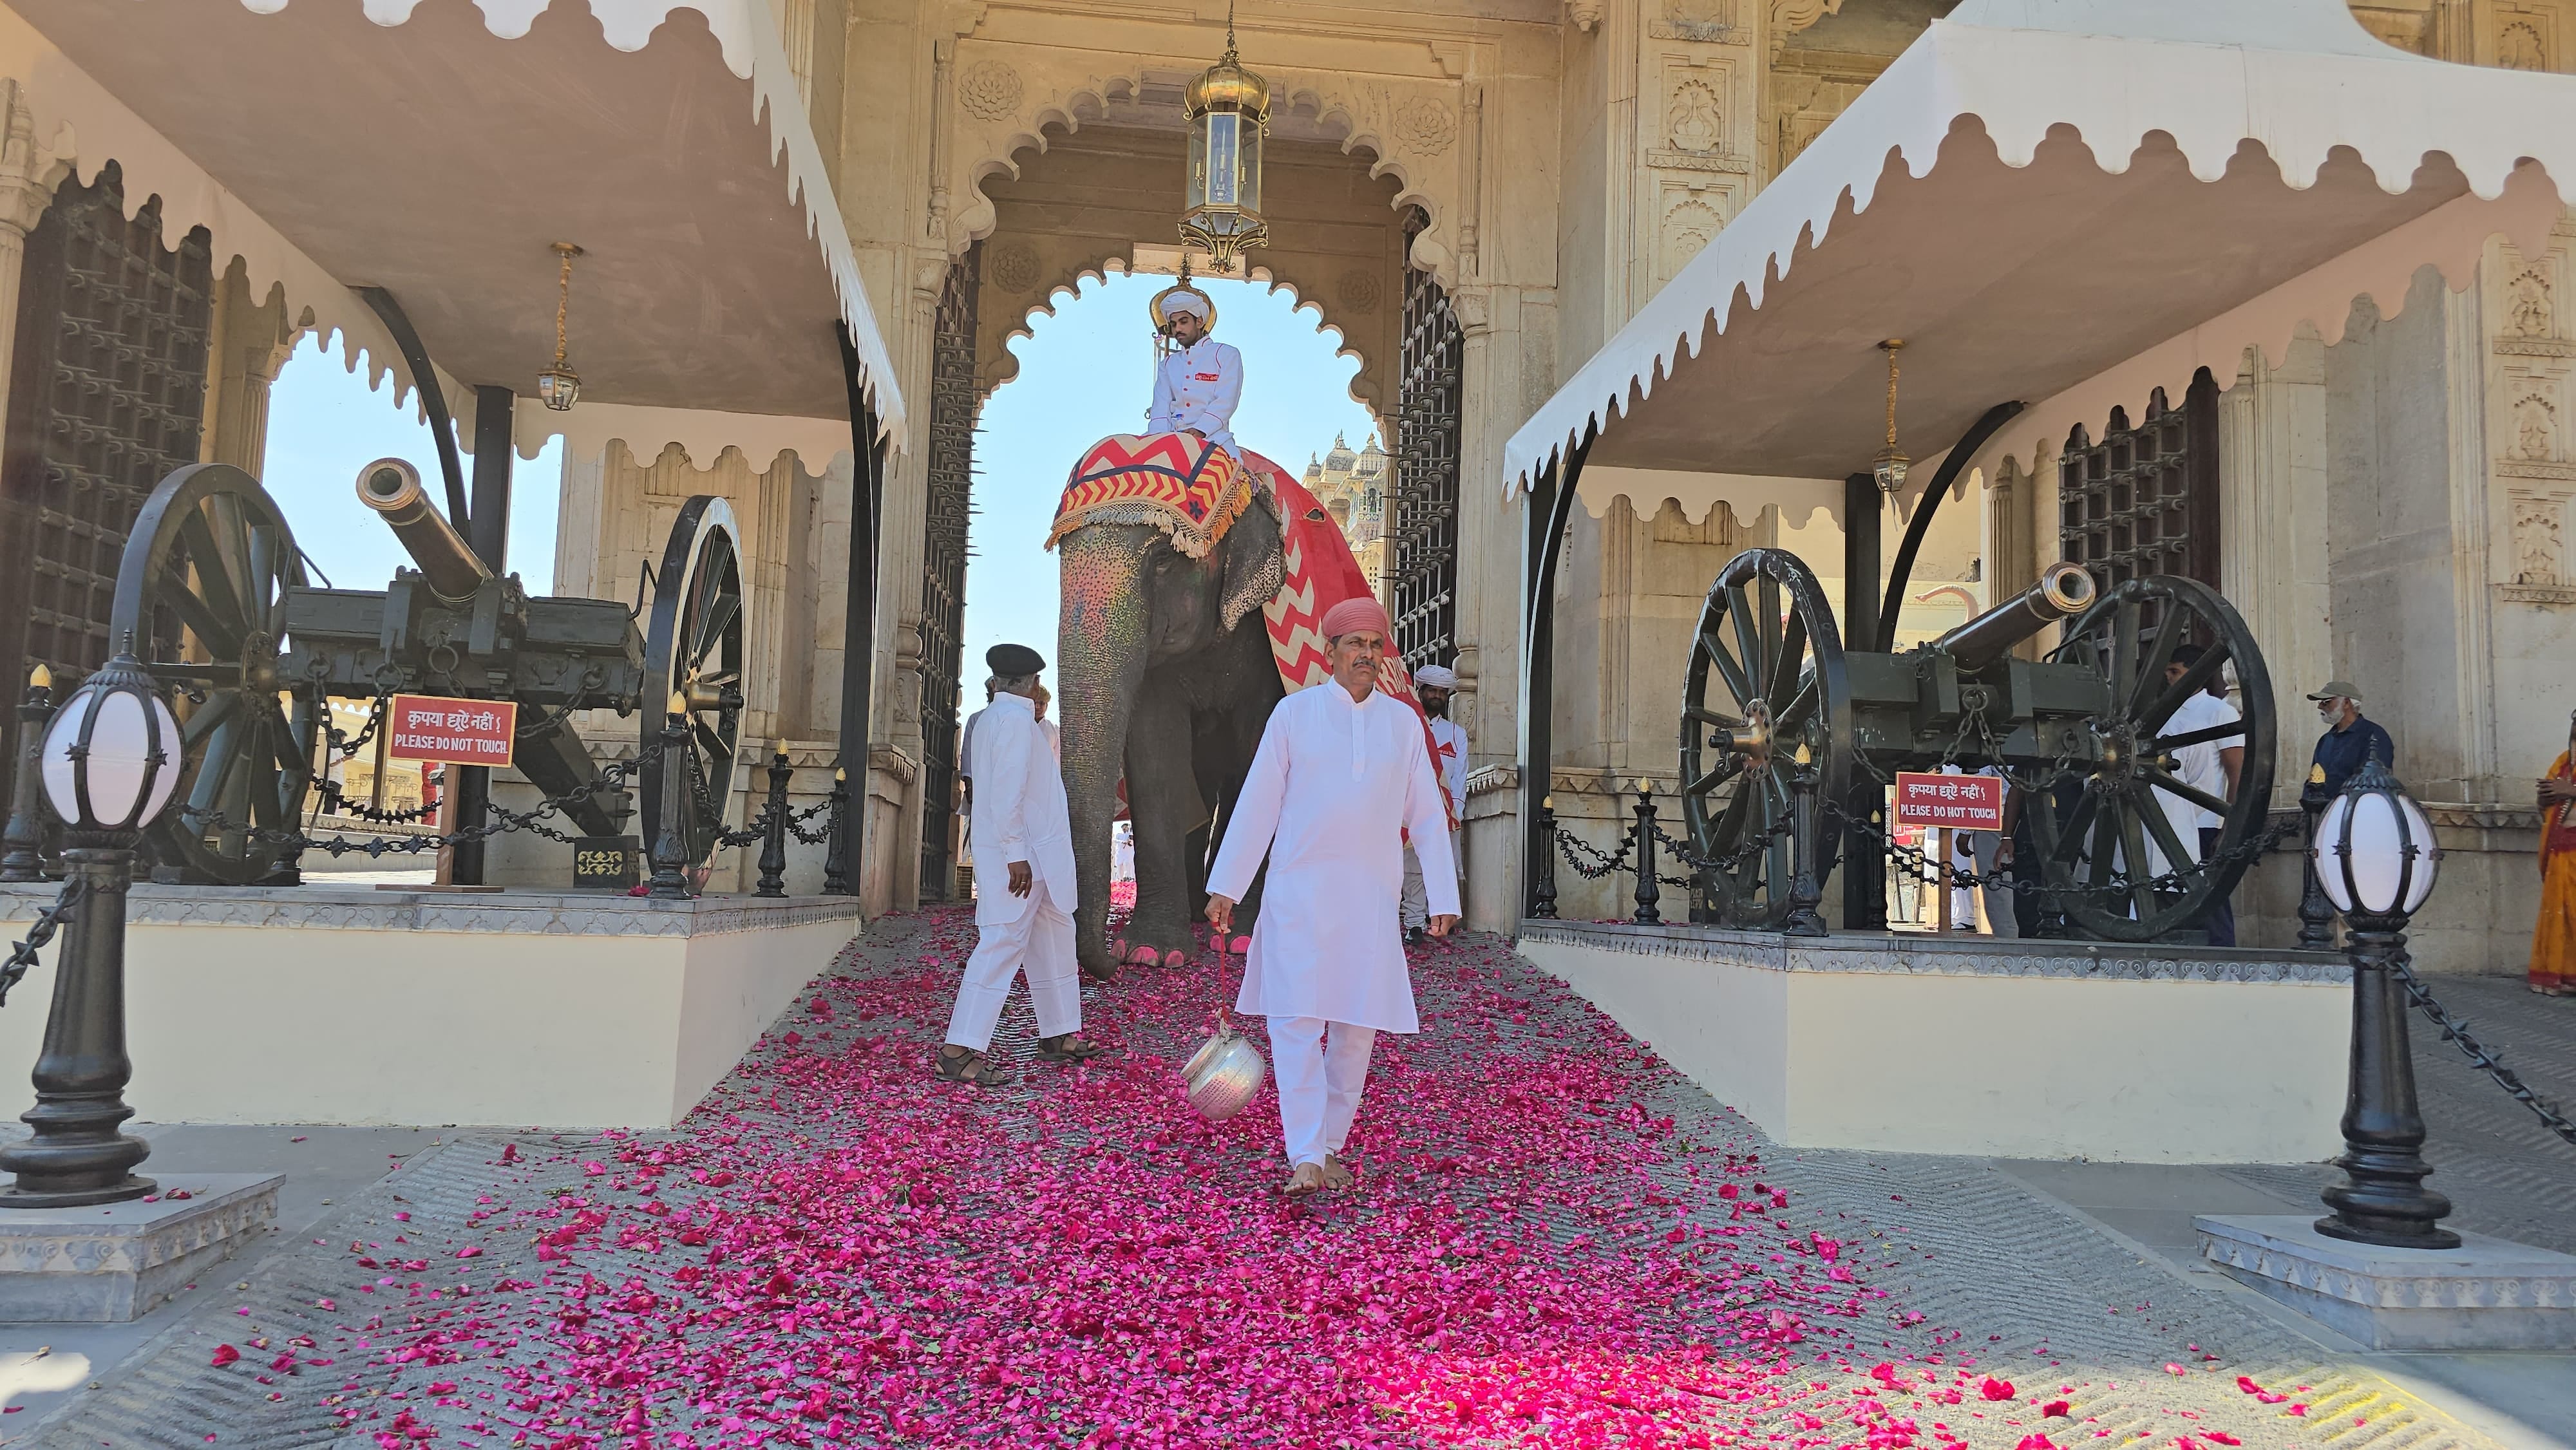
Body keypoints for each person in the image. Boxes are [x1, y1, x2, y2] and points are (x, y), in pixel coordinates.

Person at [1206, 597, 1457, 1196]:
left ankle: (1329, 1147)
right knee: (1296, 1026)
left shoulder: (1402, 726)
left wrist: (1444, 892)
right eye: (1355, 645)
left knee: (1355, 1031)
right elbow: (1258, 805)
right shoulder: (1294, 715)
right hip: (1298, 898)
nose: (1366, 655)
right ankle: (1305, 1158)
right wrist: (1225, 886)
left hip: (1370, 904)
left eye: (1375, 645)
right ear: (1330, 652)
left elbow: (1426, 814)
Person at [936, 643, 1105, 1086]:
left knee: (1054, 939)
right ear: (1030, 682)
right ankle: (958, 1048)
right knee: (1001, 946)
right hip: (1023, 859)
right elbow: (1006, 793)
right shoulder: (1013, 721)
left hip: (1038, 856)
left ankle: (1058, 1033)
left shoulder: (999, 718)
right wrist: (1015, 855)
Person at [2164, 644, 2244, 945]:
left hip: (2205, 823)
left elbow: (2236, 770)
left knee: (2209, 902)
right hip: (2168, 822)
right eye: (2168, 673)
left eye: (2176, 672)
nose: (2170, 679)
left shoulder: (2219, 711)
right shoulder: (2164, 714)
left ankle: (2223, 963)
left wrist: (2230, 824)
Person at [1399, 663, 1469, 943]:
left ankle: (1439, 918)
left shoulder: (1456, 734)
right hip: (1407, 812)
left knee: (1443, 868)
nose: (1437, 696)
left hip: (1444, 814)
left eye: (1443, 692)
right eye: (1433, 691)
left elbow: (1459, 778)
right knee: (1411, 870)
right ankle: (1414, 925)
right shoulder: (1406, 725)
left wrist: (1456, 813)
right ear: (1421, 691)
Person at [1147, 288, 1242, 463]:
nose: (1178, 329)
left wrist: (1200, 430)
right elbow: (1160, 408)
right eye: (1174, 324)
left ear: (1199, 322)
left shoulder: (1225, 354)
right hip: (1172, 439)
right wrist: (1157, 440)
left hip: (1214, 439)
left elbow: (1226, 401)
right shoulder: (1168, 364)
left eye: (1183, 322)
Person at [2531, 709, 2576, 996]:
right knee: (2560, 913)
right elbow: (2548, 797)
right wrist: (2545, 796)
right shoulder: (2564, 761)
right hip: (2561, 846)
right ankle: (2559, 974)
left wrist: (2571, 791)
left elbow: (2567, 791)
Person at [2308, 680, 2394, 796]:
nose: (2320, 707)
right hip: (2326, 811)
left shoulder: (2373, 736)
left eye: (2326, 702)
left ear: (2347, 703)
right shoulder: (2326, 740)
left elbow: (2374, 782)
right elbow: (2314, 779)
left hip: (2356, 810)